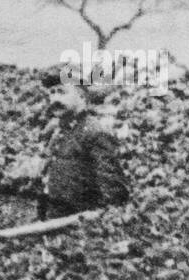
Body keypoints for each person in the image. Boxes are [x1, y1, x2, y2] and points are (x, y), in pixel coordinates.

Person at [37, 84, 130, 220]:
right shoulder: (61, 131)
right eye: (52, 92)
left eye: (62, 92)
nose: (55, 98)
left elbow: (113, 192)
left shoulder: (95, 132)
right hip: (54, 216)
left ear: (81, 97)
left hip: (76, 224)